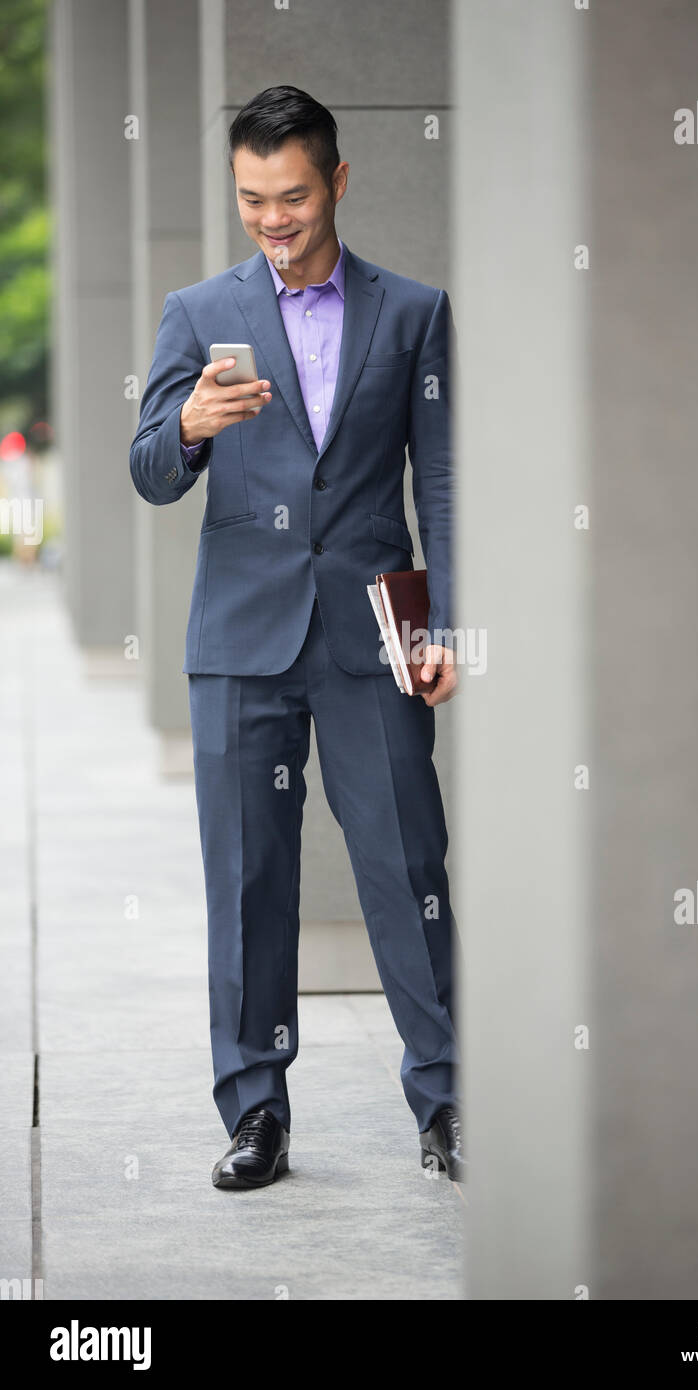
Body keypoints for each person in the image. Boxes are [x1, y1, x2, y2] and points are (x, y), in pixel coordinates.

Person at [129, 85, 462, 1189]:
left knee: (406, 864)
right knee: (248, 877)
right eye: (251, 198)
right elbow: (148, 470)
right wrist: (184, 426)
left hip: (369, 638)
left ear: (338, 182)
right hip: (239, 641)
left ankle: (449, 1096)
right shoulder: (196, 310)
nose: (272, 219)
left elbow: (446, 482)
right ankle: (255, 1112)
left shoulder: (411, 313)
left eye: (293, 196)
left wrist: (449, 625)